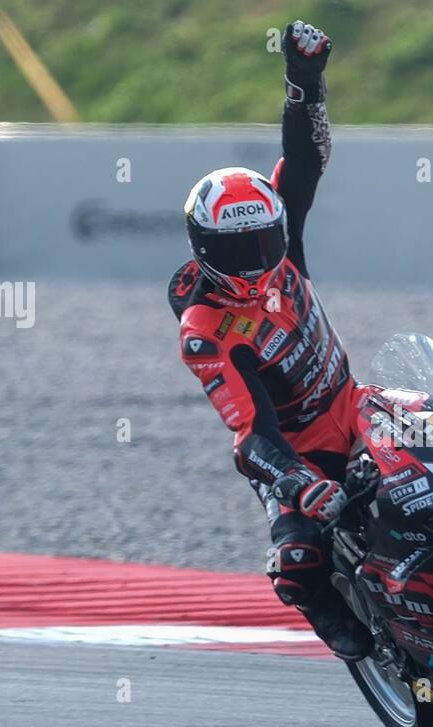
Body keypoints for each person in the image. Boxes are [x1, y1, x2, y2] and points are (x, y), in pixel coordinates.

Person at [167, 20, 372, 661]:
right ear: (206, 250)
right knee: (297, 561)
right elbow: (251, 437)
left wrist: (305, 82)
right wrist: (301, 484)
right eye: (239, 249)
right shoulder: (205, 333)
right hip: (295, 450)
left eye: (266, 241)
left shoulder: (285, 248)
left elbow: (308, 158)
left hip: (357, 404)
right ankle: (328, 612)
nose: (259, 261)